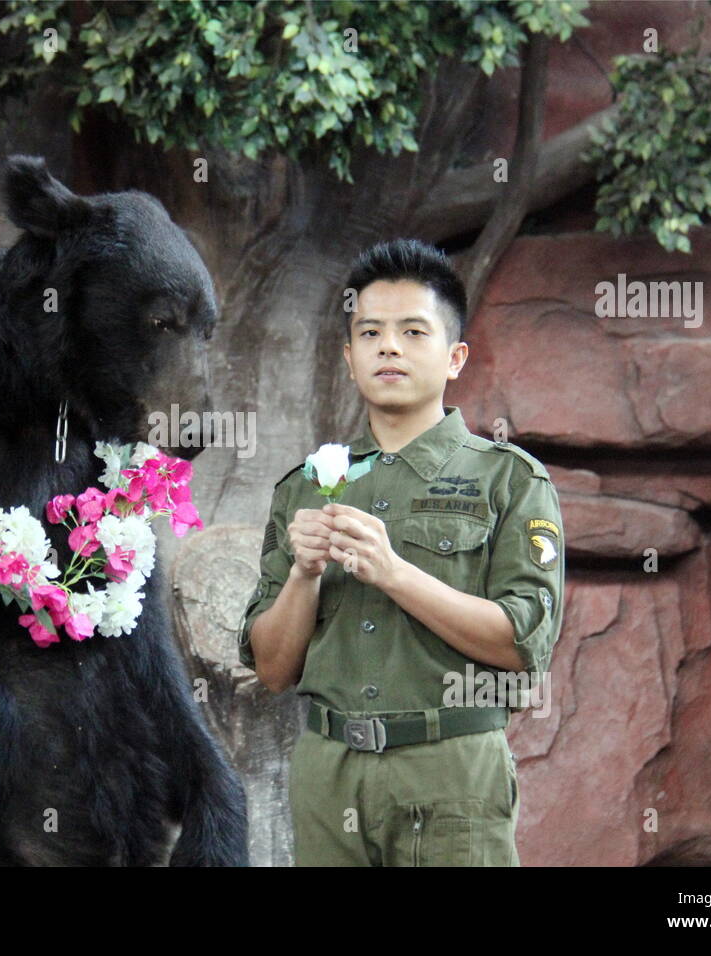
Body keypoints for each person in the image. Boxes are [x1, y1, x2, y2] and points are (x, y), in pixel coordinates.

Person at [239, 238, 565, 866]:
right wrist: (304, 575)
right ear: (349, 355)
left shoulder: (510, 480)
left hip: (449, 771)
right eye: (370, 333)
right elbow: (273, 670)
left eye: (414, 331)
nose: (388, 346)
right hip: (327, 773)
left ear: (455, 357)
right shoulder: (305, 487)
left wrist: (393, 573)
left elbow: (522, 644)